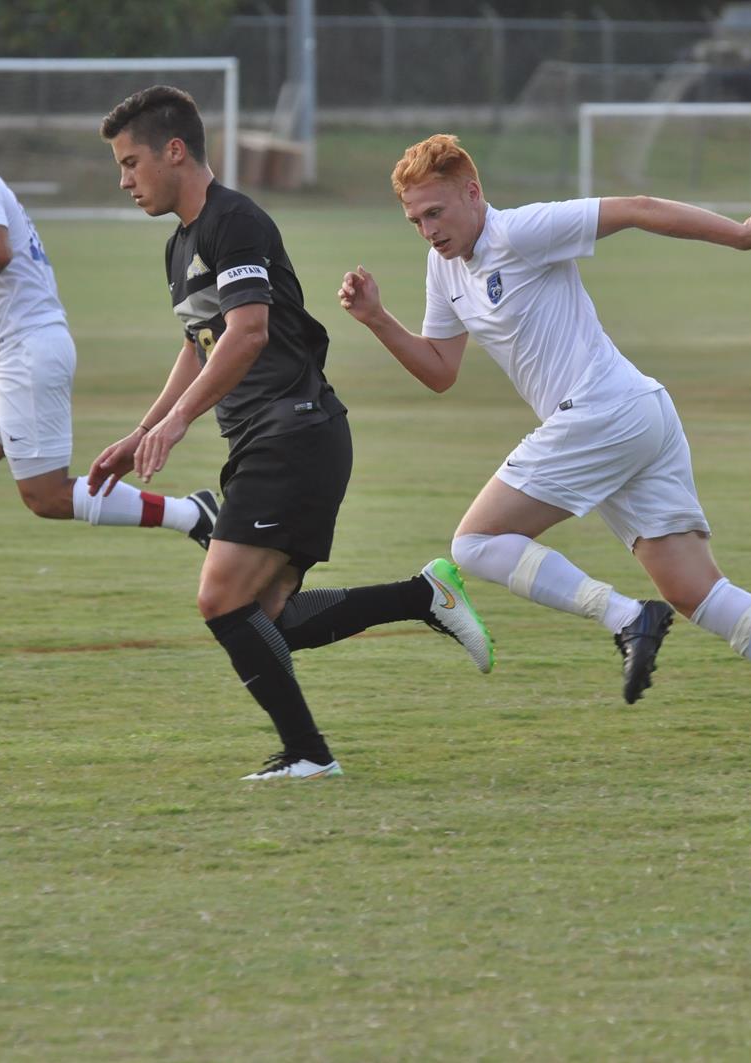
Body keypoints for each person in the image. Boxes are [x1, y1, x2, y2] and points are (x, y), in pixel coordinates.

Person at [338, 134, 751, 747]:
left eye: (435, 212)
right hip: (632, 415)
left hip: (605, 411)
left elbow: (638, 207)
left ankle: (624, 617)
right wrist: (379, 320)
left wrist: (740, 235)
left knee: (475, 543)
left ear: (472, 193)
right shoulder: (444, 267)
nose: (427, 230)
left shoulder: (521, 231)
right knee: (693, 592)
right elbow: (440, 369)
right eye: (414, 219)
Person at [88, 87, 494, 780]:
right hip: (270, 438)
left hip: (294, 432)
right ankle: (425, 595)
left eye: (131, 163)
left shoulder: (234, 221)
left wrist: (180, 424)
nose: (124, 180)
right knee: (267, 617)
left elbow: (250, 331)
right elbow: (202, 345)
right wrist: (142, 430)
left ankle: (309, 754)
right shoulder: (180, 244)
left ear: (175, 151)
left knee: (220, 597)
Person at [0, 100, 217, 646]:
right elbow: (18, 269)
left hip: (27, 354)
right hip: (8, 351)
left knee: (44, 497)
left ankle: (192, 514)